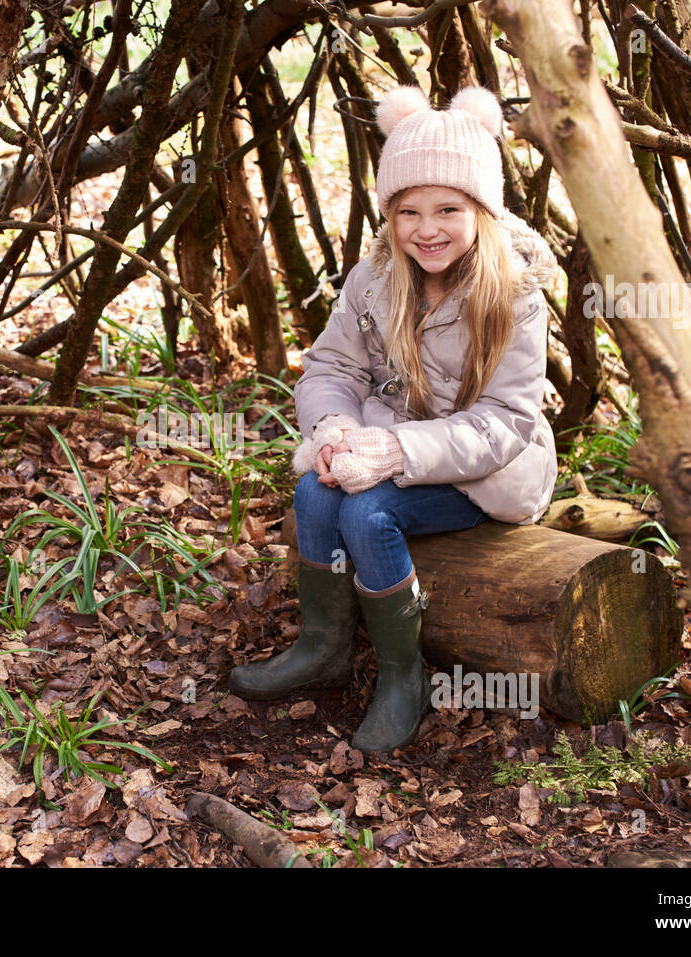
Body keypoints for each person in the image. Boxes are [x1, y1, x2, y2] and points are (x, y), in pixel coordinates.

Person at [228, 84, 559, 753]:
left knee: (364, 513)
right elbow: (331, 370)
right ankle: (323, 649)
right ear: (389, 213)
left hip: (487, 468)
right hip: (385, 442)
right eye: (408, 210)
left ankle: (403, 676)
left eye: (447, 208)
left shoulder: (514, 293)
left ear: (481, 209)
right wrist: (334, 430)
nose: (426, 227)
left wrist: (394, 452)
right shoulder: (376, 277)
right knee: (313, 490)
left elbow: (505, 419)